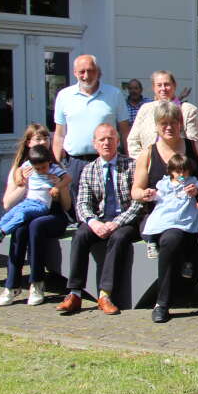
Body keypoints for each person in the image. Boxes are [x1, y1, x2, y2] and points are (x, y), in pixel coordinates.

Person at [132, 101, 198, 319]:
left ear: (181, 124)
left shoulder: (195, 147)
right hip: (166, 217)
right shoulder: (148, 154)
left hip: (197, 211)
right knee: (169, 240)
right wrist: (143, 193)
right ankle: (162, 303)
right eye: (163, 123)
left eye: (173, 123)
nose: (169, 127)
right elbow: (135, 190)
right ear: (156, 126)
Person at [56, 124, 146, 316]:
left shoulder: (132, 165)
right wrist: (93, 222)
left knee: (119, 238)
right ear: (94, 144)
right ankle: (74, 293)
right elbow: (82, 203)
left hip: (125, 221)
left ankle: (105, 295)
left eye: (110, 139)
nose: (106, 143)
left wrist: (117, 223)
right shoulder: (88, 170)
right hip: (99, 219)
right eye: (102, 139)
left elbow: (138, 204)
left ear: (118, 142)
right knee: (80, 235)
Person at [0, 124, 72, 306]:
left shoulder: (55, 167)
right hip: (30, 210)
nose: (43, 142)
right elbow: (7, 204)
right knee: (21, 228)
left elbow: (67, 206)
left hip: (53, 215)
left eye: (46, 138)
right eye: (38, 139)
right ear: (29, 143)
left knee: (35, 225)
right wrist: (25, 185)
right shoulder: (21, 170)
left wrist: (59, 187)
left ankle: (37, 282)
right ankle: (11, 285)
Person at [51, 55, 130, 212]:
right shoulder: (64, 96)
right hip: (75, 163)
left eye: (90, 71)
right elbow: (59, 134)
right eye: (82, 72)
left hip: (107, 161)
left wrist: (129, 158)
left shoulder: (113, 94)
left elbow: (125, 130)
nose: (86, 76)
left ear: (98, 71)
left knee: (108, 208)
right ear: (75, 73)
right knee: (78, 210)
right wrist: (55, 165)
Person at [139, 154, 198, 322]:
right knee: (158, 231)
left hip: (183, 217)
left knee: (189, 236)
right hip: (166, 216)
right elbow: (156, 196)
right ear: (171, 171)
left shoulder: (191, 182)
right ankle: (161, 303)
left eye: (184, 171)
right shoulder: (164, 183)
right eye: (178, 171)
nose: (181, 175)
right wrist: (149, 194)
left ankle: (186, 265)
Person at [0, 145, 69, 252]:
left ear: (49, 161)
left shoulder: (54, 169)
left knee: (22, 215)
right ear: (32, 165)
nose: (41, 170)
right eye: (37, 168)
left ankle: (2, 233)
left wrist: (57, 186)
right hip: (27, 202)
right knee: (8, 216)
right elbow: (19, 169)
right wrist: (19, 177)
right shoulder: (29, 165)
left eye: (44, 167)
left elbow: (68, 178)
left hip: (41, 205)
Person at [126, 70, 198, 157]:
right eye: (159, 85)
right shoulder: (145, 109)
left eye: (167, 84)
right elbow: (133, 140)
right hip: (148, 165)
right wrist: (144, 161)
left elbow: (193, 142)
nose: (163, 88)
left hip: (179, 165)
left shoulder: (188, 110)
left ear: (174, 85)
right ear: (154, 88)